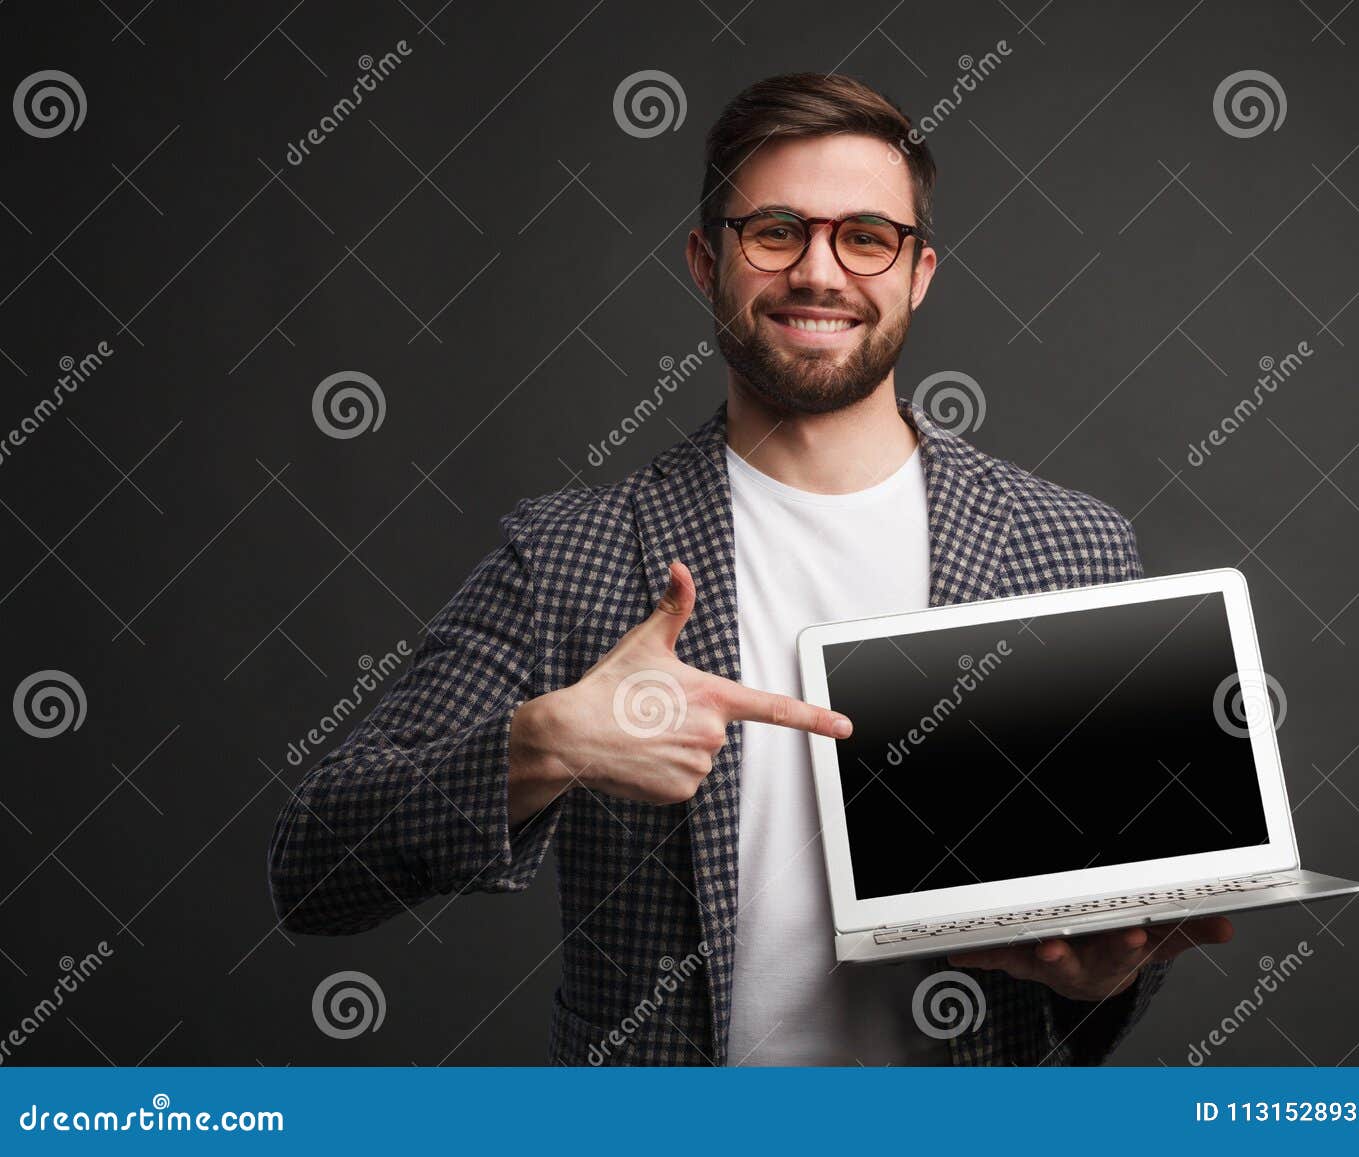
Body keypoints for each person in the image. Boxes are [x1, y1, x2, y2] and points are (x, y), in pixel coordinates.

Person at [268, 71, 1231, 1066]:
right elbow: (314, 867)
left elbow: (1125, 910)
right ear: (706, 260)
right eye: (775, 231)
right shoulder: (570, 553)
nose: (819, 272)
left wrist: (1105, 974)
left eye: (866, 237)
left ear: (918, 273)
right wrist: (545, 744)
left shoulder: (1069, 547)